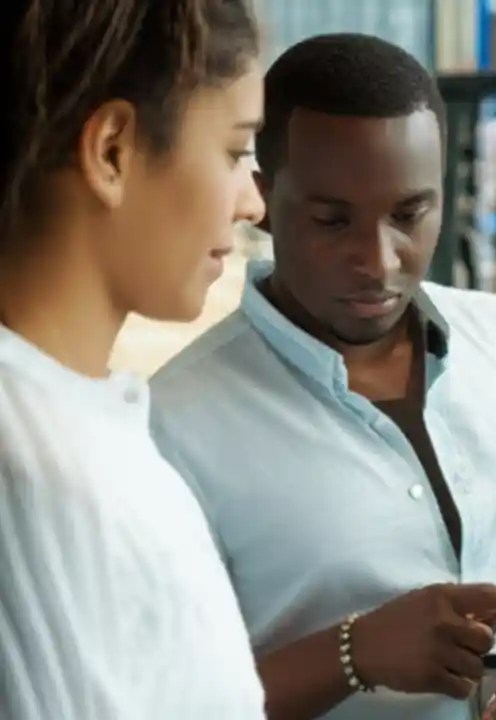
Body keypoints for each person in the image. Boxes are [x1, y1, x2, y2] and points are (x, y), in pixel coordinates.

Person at [149, 34, 496, 720]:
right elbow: (159, 701)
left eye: (410, 214)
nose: (380, 260)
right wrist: (355, 653)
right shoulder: (171, 427)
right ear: (264, 200)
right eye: (333, 220)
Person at [0, 1, 267, 717]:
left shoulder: (76, 425)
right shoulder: (29, 469)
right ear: (113, 150)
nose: (252, 202)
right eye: (237, 152)